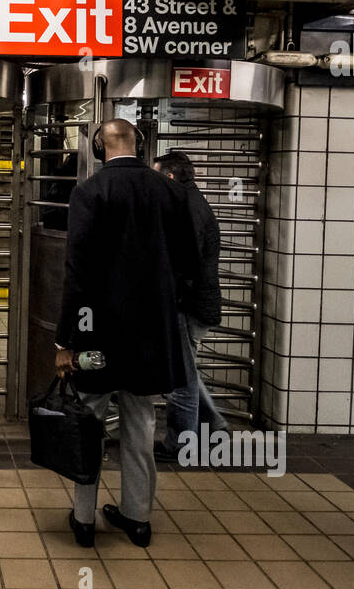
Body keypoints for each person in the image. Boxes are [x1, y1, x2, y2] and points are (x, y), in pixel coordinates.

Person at [56, 119, 199, 548]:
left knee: (89, 421)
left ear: (100, 146)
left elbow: (77, 271)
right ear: (139, 143)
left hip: (96, 334)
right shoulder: (171, 191)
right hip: (150, 335)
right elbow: (190, 263)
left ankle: (84, 520)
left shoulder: (89, 193)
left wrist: (67, 340)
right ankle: (137, 519)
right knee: (140, 425)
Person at [152, 151, 229, 461]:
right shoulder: (190, 202)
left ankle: (181, 443)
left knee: (181, 376)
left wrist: (169, 296)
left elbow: (188, 263)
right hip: (196, 301)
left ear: (170, 177)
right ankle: (213, 424)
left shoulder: (187, 208)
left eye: (157, 176)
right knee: (188, 369)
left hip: (189, 303)